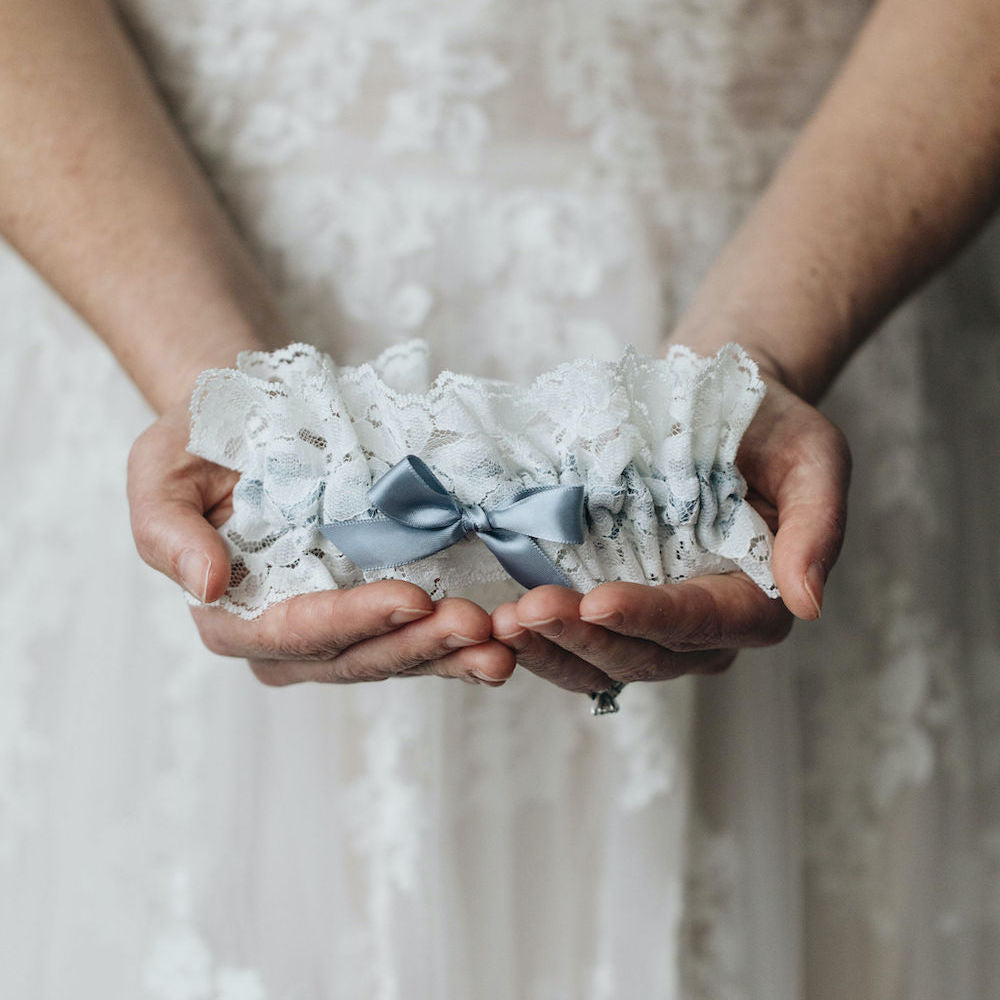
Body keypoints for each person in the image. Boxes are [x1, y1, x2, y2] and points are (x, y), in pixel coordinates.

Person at [0, 0, 997, 996]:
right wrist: (215, 393)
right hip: (152, 255)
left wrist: (752, 367)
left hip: (823, 237)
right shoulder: (239, 425)